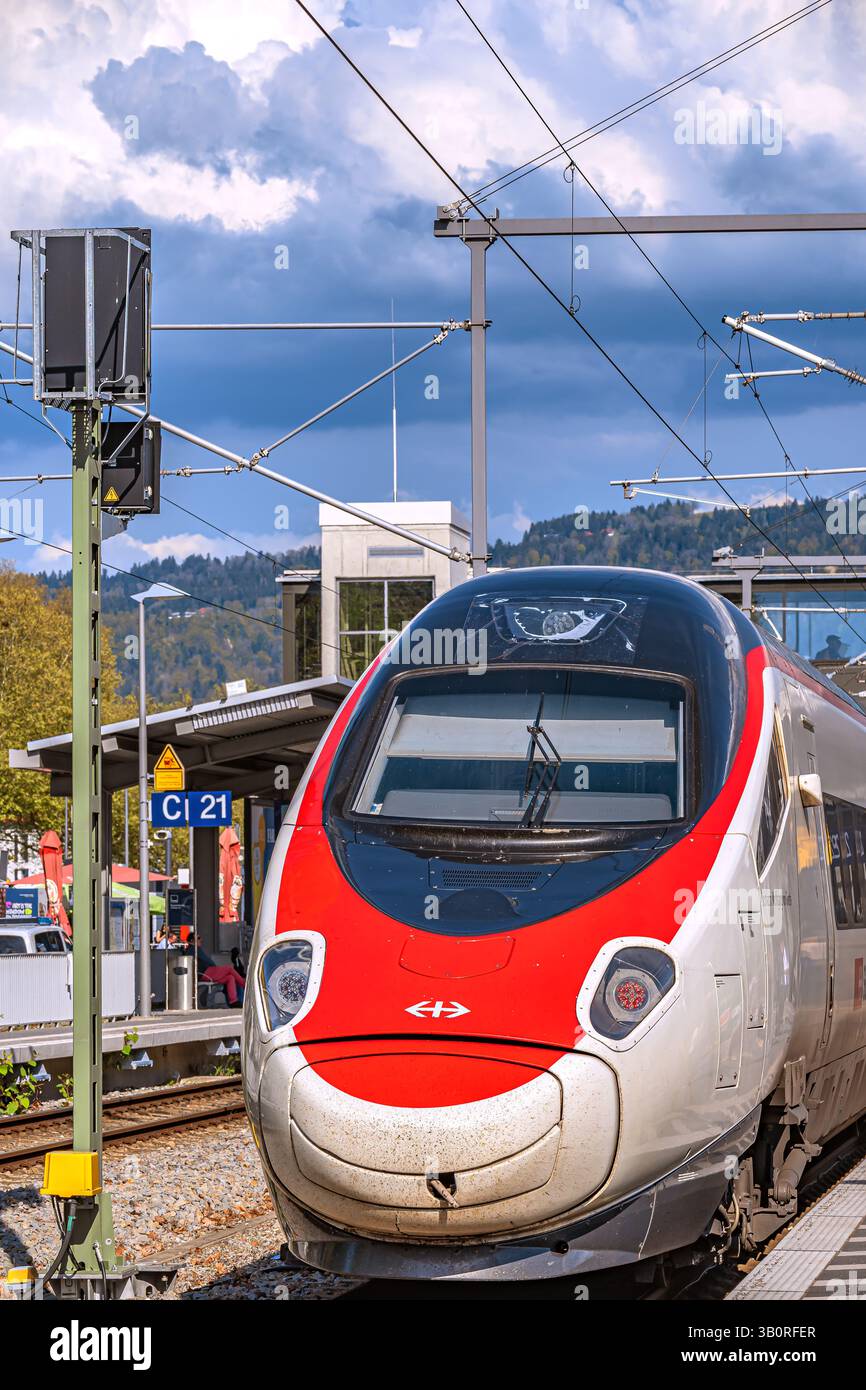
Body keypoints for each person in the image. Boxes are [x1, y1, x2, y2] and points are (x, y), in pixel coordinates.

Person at [186, 930, 245, 1007]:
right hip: (205, 973)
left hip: (202, 974)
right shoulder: (194, 948)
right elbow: (208, 961)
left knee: (230, 978)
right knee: (229, 969)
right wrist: (216, 968)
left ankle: (234, 1001)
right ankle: (245, 986)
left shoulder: (191, 949)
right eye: (198, 938)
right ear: (192, 940)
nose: (201, 940)